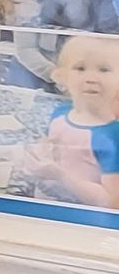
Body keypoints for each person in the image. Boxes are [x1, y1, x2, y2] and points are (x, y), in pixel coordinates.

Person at [13, 31, 119, 208]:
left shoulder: (112, 137)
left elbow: (112, 202)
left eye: (104, 69)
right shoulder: (59, 114)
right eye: (80, 68)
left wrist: (60, 175)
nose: (91, 78)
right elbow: (47, 149)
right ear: (61, 77)